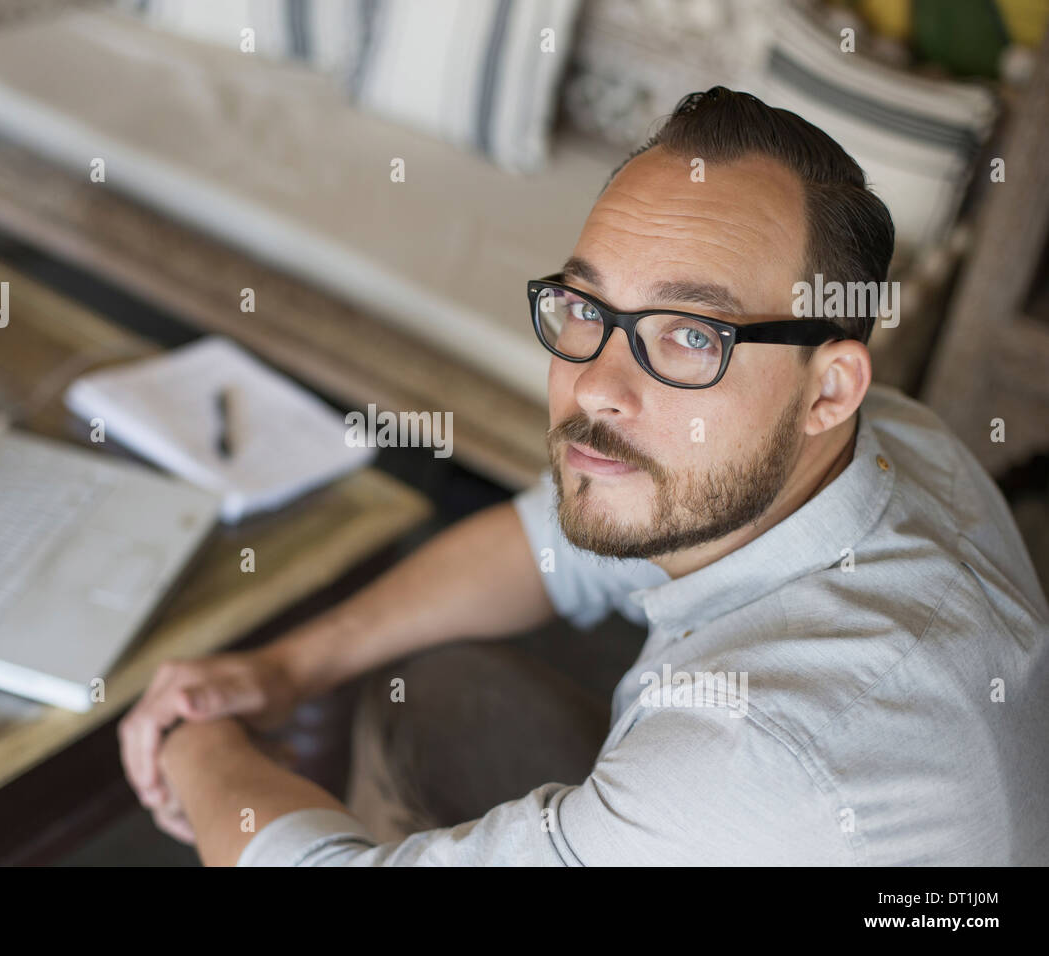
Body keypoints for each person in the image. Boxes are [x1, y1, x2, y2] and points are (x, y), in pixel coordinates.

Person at [118, 87, 1049, 866]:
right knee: (444, 699)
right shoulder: (888, 440)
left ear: (828, 387)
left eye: (693, 335)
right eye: (586, 306)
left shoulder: (753, 759)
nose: (598, 385)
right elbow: (553, 546)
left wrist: (194, 744)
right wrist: (285, 666)